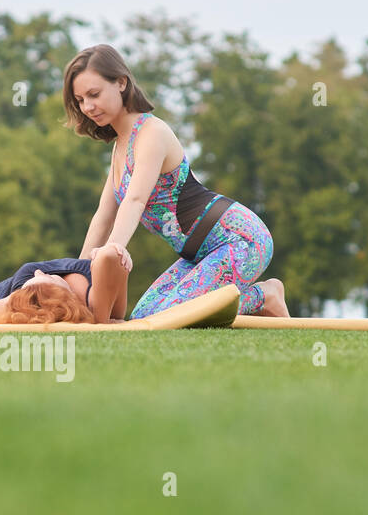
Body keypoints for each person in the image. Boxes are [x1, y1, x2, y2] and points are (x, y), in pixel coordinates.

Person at [64, 44, 290, 320]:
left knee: (173, 317)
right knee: (143, 319)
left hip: (239, 238)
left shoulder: (151, 132)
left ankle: (264, 295)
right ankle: (253, 300)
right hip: (196, 254)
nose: (88, 107)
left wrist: (113, 251)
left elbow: (135, 200)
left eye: (94, 94)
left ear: (121, 83)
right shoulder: (119, 149)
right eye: (80, 100)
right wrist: (79, 275)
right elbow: (103, 216)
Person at [0, 242, 132, 325]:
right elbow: (110, 256)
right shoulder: (94, 306)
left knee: (26, 284)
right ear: (66, 296)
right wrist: (113, 249)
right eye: (50, 277)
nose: (39, 271)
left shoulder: (22, 294)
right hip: (19, 297)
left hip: (16, 293)